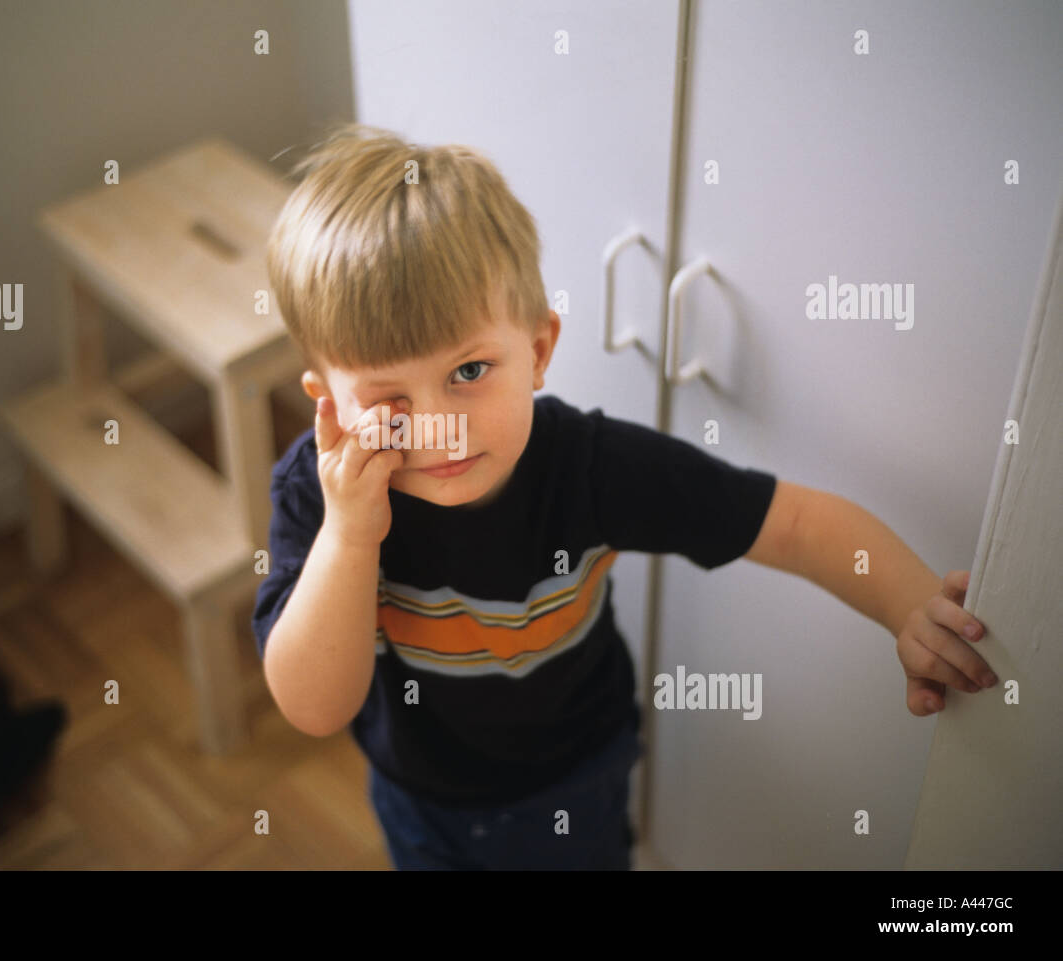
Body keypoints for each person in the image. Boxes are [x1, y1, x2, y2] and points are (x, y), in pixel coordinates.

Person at [251, 123, 992, 870]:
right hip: (423, 801)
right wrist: (350, 536)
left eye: (469, 372)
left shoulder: (591, 466)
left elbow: (794, 522)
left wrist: (907, 603)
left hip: (579, 779)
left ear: (538, 351)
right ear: (331, 404)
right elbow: (316, 706)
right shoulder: (319, 497)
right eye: (390, 399)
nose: (442, 429)